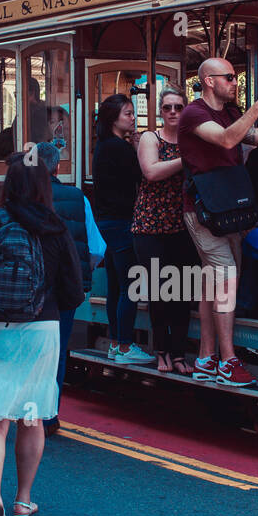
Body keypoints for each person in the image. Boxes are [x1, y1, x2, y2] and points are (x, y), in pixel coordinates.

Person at [0, 153, 83, 516]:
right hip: (42, 328)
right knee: (31, 416)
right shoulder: (56, 228)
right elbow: (74, 292)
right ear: (45, 187)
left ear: (7, 186)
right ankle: (23, 499)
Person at [179, 57, 258, 386]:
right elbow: (227, 140)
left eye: (235, 76)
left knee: (214, 284)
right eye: (230, 77)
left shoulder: (233, 111)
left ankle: (206, 358)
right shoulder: (194, 113)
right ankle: (229, 360)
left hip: (229, 209)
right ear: (208, 81)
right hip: (204, 211)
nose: (235, 82)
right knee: (226, 280)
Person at [38, 141, 104, 437]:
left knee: (30, 350)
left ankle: (25, 411)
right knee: (58, 351)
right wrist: (79, 274)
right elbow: (97, 249)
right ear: (57, 167)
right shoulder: (78, 199)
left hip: (31, 289)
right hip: (66, 288)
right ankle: (49, 416)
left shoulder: (22, 200)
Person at [133, 87, 195, 375]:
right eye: (168, 107)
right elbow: (151, 171)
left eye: (178, 107)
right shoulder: (150, 137)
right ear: (160, 110)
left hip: (183, 224)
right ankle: (161, 352)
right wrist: (187, 159)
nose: (173, 112)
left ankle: (179, 353)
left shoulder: (190, 139)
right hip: (150, 224)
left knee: (183, 292)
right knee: (159, 292)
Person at [92, 93, 154, 366]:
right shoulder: (118, 148)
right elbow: (143, 174)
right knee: (130, 284)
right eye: (128, 113)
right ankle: (125, 346)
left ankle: (116, 344)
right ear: (113, 119)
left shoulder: (104, 146)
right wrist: (140, 147)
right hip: (122, 221)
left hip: (107, 221)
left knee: (116, 286)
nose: (133, 117)